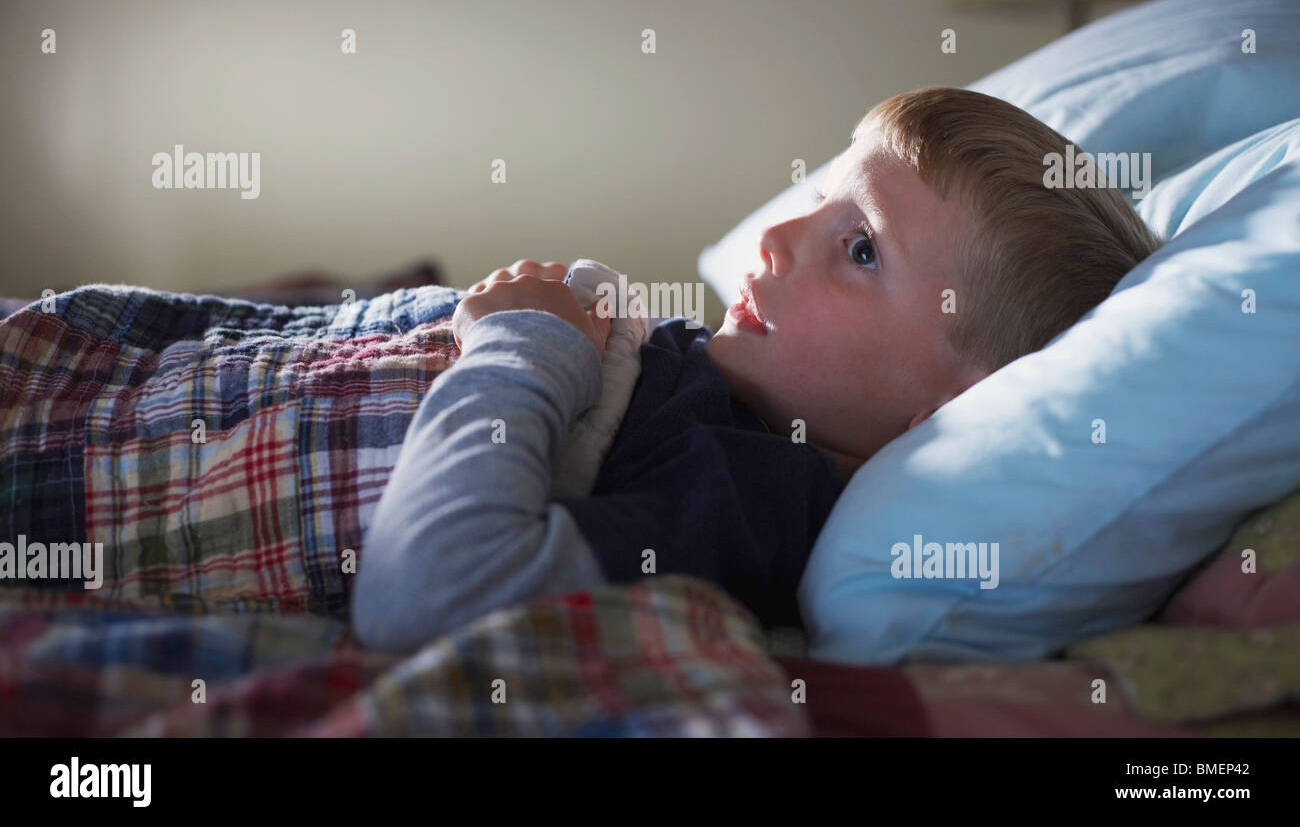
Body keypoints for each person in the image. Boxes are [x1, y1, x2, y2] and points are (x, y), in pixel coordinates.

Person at [351, 86, 1164, 653]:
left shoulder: (753, 494)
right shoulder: (731, 388)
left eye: (860, 249)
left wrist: (522, 344)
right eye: (818, 196)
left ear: (956, 409)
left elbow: (429, 596)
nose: (776, 237)